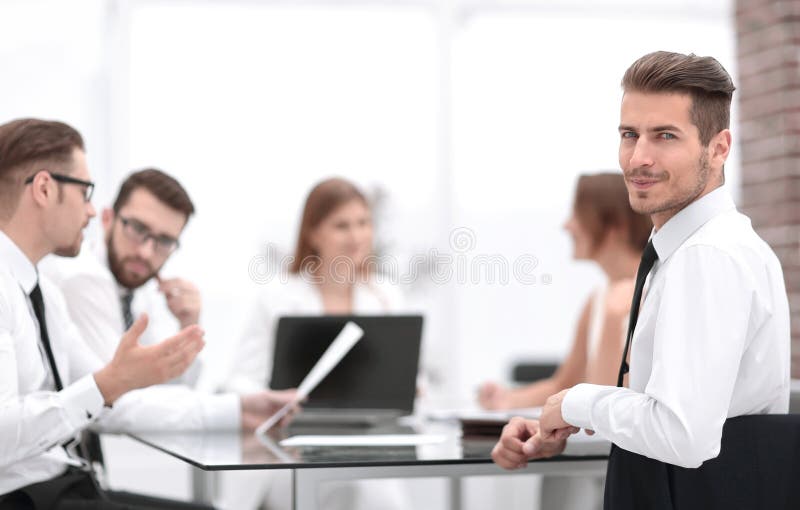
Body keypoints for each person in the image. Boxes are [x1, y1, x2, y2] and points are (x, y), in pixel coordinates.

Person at [492, 50, 790, 498]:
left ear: (719, 148)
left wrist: (575, 402)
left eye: (665, 136)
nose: (638, 158)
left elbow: (683, 434)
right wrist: (554, 424)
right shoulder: (696, 249)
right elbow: (667, 414)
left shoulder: (705, 256)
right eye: (629, 135)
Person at [0, 118, 297, 510]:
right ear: (43, 188)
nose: (90, 211)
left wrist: (234, 405)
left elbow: (130, 387)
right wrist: (110, 383)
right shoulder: (55, 282)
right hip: (27, 495)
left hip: (64, 483)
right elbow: (106, 395)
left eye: (164, 241)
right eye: (85, 193)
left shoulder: (46, 293)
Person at [220, 177, 409, 510]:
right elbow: (239, 381)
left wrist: (410, 387)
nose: (356, 236)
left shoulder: (386, 296)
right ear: (313, 233)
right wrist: (271, 401)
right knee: (342, 490)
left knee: (373, 495)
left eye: (363, 223)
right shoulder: (277, 298)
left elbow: (408, 383)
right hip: (289, 448)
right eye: (342, 226)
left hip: (368, 446)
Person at [478, 173, 652, 410]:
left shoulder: (651, 294)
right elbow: (565, 383)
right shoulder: (599, 298)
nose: (567, 226)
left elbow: (610, 400)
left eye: (579, 215)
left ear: (615, 227)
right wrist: (507, 399)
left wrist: (613, 320)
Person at [41, 169, 204, 385]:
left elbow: (167, 388)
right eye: (137, 228)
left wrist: (188, 325)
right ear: (107, 219)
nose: (146, 253)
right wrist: (235, 404)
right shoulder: (79, 279)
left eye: (164, 241)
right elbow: (120, 392)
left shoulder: (140, 288)